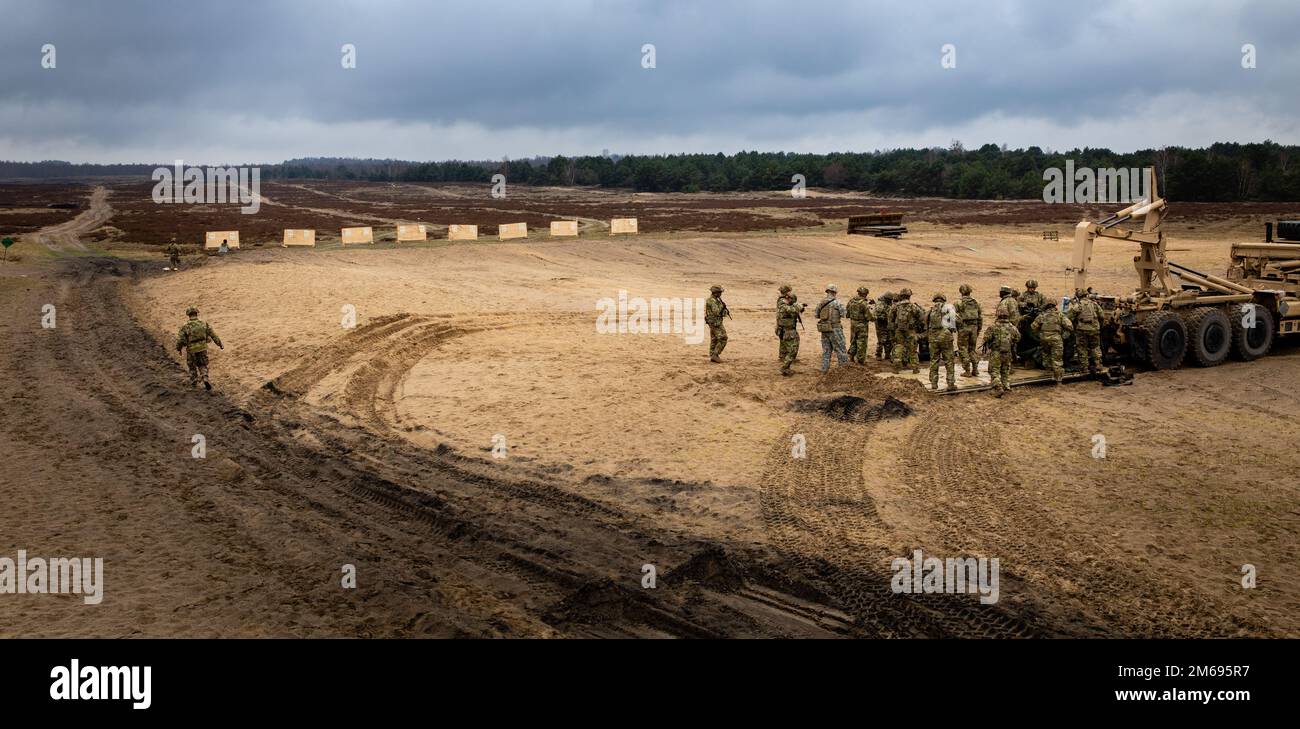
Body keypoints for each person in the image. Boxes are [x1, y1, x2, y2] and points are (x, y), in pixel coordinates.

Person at [175, 306, 223, 390]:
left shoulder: (185, 326)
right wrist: (219, 344)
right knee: (202, 364)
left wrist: (179, 348)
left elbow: (180, 339)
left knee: (192, 366)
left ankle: (194, 383)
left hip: (191, 349)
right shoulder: (204, 323)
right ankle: (205, 377)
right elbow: (213, 334)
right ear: (197, 313)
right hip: (202, 348)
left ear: (188, 315)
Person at [1030, 301, 1072, 383]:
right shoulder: (1060, 315)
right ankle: (1058, 380)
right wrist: (1063, 335)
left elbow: (1033, 327)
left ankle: (1048, 374)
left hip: (1044, 339)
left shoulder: (1042, 315)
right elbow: (1070, 326)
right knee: (1057, 359)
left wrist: (1040, 334)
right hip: (1056, 339)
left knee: (1046, 355)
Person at [981, 310, 1020, 397]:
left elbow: (986, 339)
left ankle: (998, 388)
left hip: (996, 353)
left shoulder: (993, 327)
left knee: (994, 371)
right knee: (1005, 370)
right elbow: (1018, 338)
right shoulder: (1012, 327)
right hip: (1008, 353)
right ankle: (1006, 387)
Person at [926, 293, 958, 392]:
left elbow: (925, 323)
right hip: (946, 338)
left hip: (933, 339)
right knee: (949, 361)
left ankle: (934, 383)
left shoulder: (930, 311)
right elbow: (958, 321)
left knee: (934, 361)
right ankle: (950, 383)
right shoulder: (949, 309)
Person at [1069, 287, 1104, 375]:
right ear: (1086, 295)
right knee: (1095, 347)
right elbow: (1102, 316)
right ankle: (1098, 365)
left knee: (1082, 348)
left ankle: (1084, 368)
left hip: (1082, 330)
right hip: (1095, 330)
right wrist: (1099, 325)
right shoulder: (1094, 304)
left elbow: (1069, 317)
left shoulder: (1078, 306)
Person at [815, 284, 849, 373]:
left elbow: (816, 315)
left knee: (826, 351)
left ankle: (824, 370)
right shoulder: (838, 303)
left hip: (824, 329)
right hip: (835, 329)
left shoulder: (821, 303)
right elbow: (844, 314)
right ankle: (843, 371)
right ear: (835, 292)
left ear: (827, 292)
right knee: (841, 350)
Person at [889, 288, 923, 374]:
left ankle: (896, 368)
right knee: (912, 349)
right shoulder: (913, 307)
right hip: (910, 330)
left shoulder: (896, 306)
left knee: (898, 347)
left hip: (899, 330)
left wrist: (893, 329)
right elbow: (921, 318)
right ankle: (915, 368)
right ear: (909, 296)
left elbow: (890, 319)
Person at [955, 284, 982, 377]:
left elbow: (955, 317)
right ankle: (975, 369)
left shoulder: (958, 303)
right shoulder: (976, 302)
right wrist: (978, 329)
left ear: (961, 292)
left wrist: (957, 328)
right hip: (974, 328)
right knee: (972, 349)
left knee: (963, 348)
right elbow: (980, 317)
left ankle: (967, 370)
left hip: (963, 328)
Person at [777, 292, 805, 376]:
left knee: (792, 349)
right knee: (793, 350)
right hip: (787, 332)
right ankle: (785, 367)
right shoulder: (783, 306)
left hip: (789, 331)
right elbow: (792, 309)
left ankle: (786, 367)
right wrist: (800, 306)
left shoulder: (786, 305)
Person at [846, 286, 872, 365]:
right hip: (862, 325)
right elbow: (869, 316)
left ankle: (851, 357)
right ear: (865, 294)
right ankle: (861, 361)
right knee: (862, 342)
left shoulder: (851, 301)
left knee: (853, 340)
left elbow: (847, 313)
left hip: (853, 323)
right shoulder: (864, 303)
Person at [705, 285, 729, 363]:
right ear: (716, 293)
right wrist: (724, 311)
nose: (721, 294)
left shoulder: (716, 299)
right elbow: (717, 312)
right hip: (715, 323)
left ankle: (712, 355)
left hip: (714, 322)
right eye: (719, 292)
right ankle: (715, 355)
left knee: (714, 339)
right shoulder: (712, 301)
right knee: (723, 338)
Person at [874, 292, 894, 360]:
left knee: (889, 340)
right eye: (890, 300)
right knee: (881, 340)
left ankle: (887, 354)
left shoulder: (889, 303)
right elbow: (878, 316)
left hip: (887, 324)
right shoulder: (880, 304)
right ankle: (878, 355)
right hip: (881, 324)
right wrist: (886, 317)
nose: (891, 301)